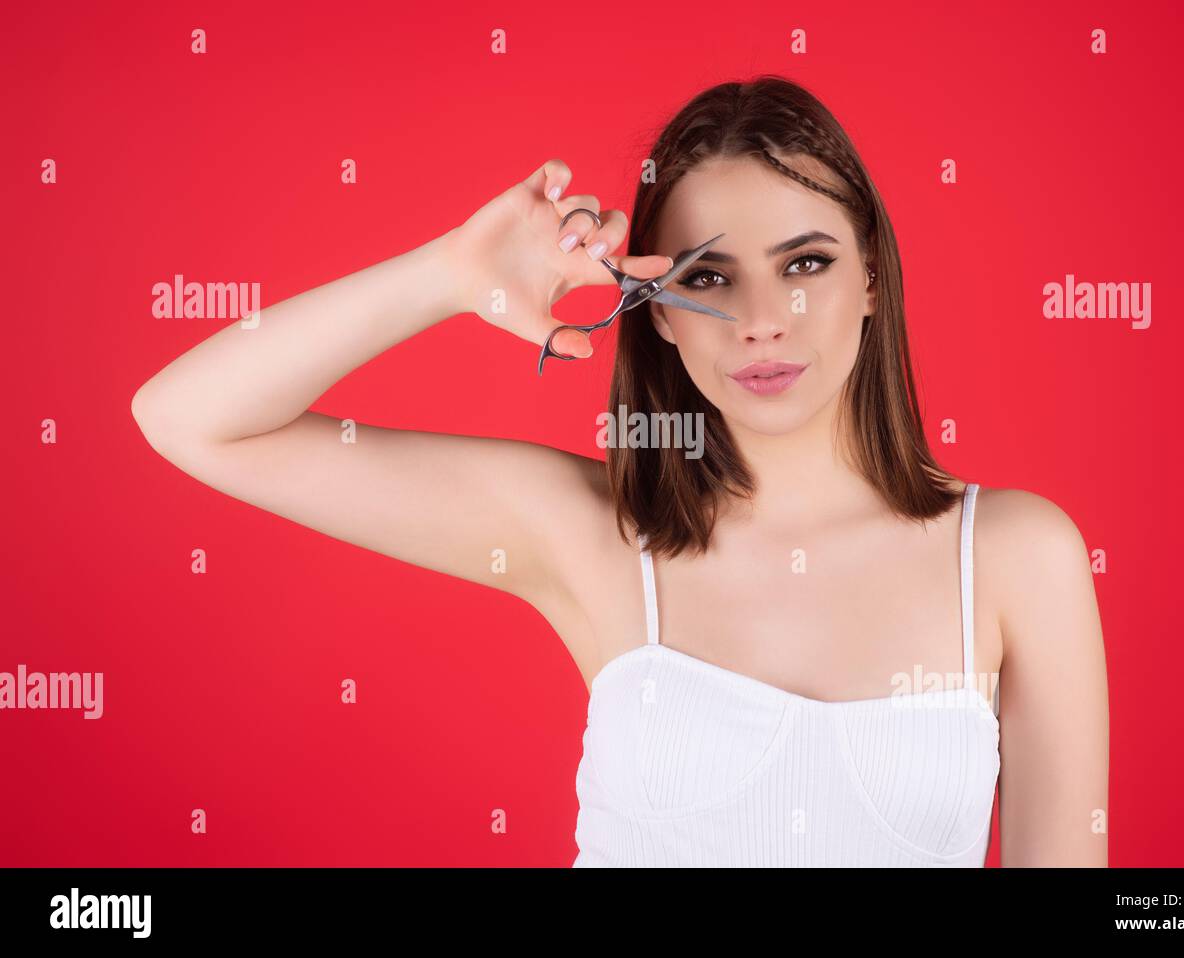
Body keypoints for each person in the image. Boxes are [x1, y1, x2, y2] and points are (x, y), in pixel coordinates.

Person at [131, 75, 1108, 867]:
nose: (762, 317)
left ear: (871, 282)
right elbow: (191, 419)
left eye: (804, 263)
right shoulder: (592, 535)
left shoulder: (1016, 556)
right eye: (708, 277)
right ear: (659, 309)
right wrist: (451, 276)